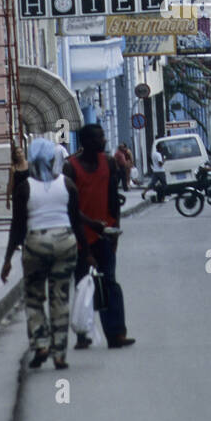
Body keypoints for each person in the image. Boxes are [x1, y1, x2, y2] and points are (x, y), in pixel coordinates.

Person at [1, 140, 108, 370]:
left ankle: (40, 343)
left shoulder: (25, 188)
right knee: (60, 298)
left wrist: (8, 258)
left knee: (35, 297)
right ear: (52, 160)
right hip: (65, 243)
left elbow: (17, 226)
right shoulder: (67, 185)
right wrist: (87, 252)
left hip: (36, 243)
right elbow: (77, 222)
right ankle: (59, 353)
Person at [63, 124, 133, 349]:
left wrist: (116, 230)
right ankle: (83, 333)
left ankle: (116, 333)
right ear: (85, 142)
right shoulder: (71, 168)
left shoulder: (109, 163)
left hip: (105, 234)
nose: (103, 141)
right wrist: (87, 230)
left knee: (110, 283)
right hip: (80, 237)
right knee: (84, 284)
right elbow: (70, 208)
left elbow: (114, 198)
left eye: (102, 136)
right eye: (98, 138)